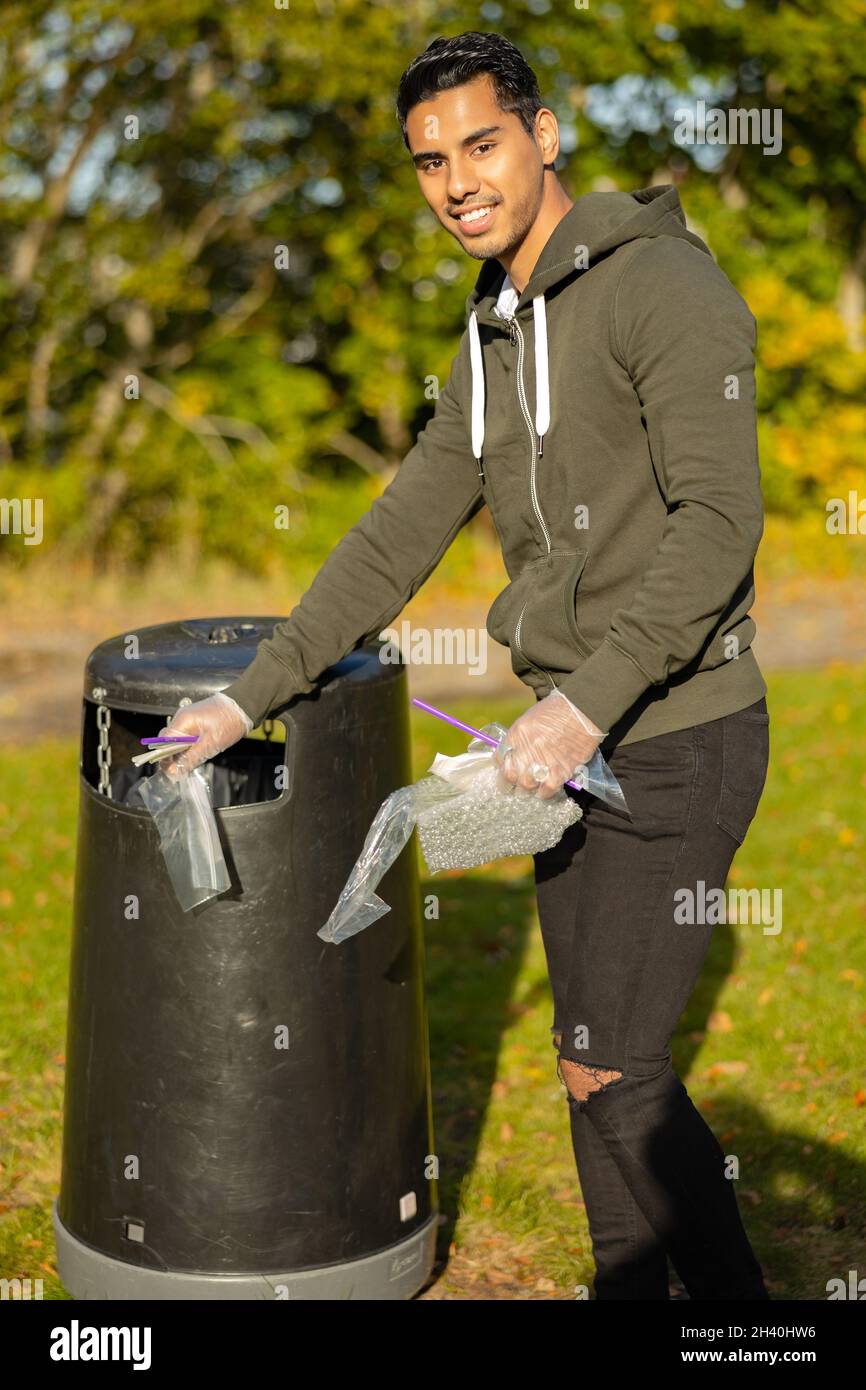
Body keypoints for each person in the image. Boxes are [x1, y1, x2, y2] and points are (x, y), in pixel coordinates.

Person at [160, 32, 771, 1300]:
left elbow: (719, 524)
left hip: (674, 733)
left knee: (613, 1065)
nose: (455, 182)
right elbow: (395, 535)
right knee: (584, 1058)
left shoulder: (663, 290)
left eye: (479, 145)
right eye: (429, 161)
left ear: (542, 137)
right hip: (571, 750)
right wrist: (246, 694)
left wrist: (582, 704)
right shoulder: (489, 334)